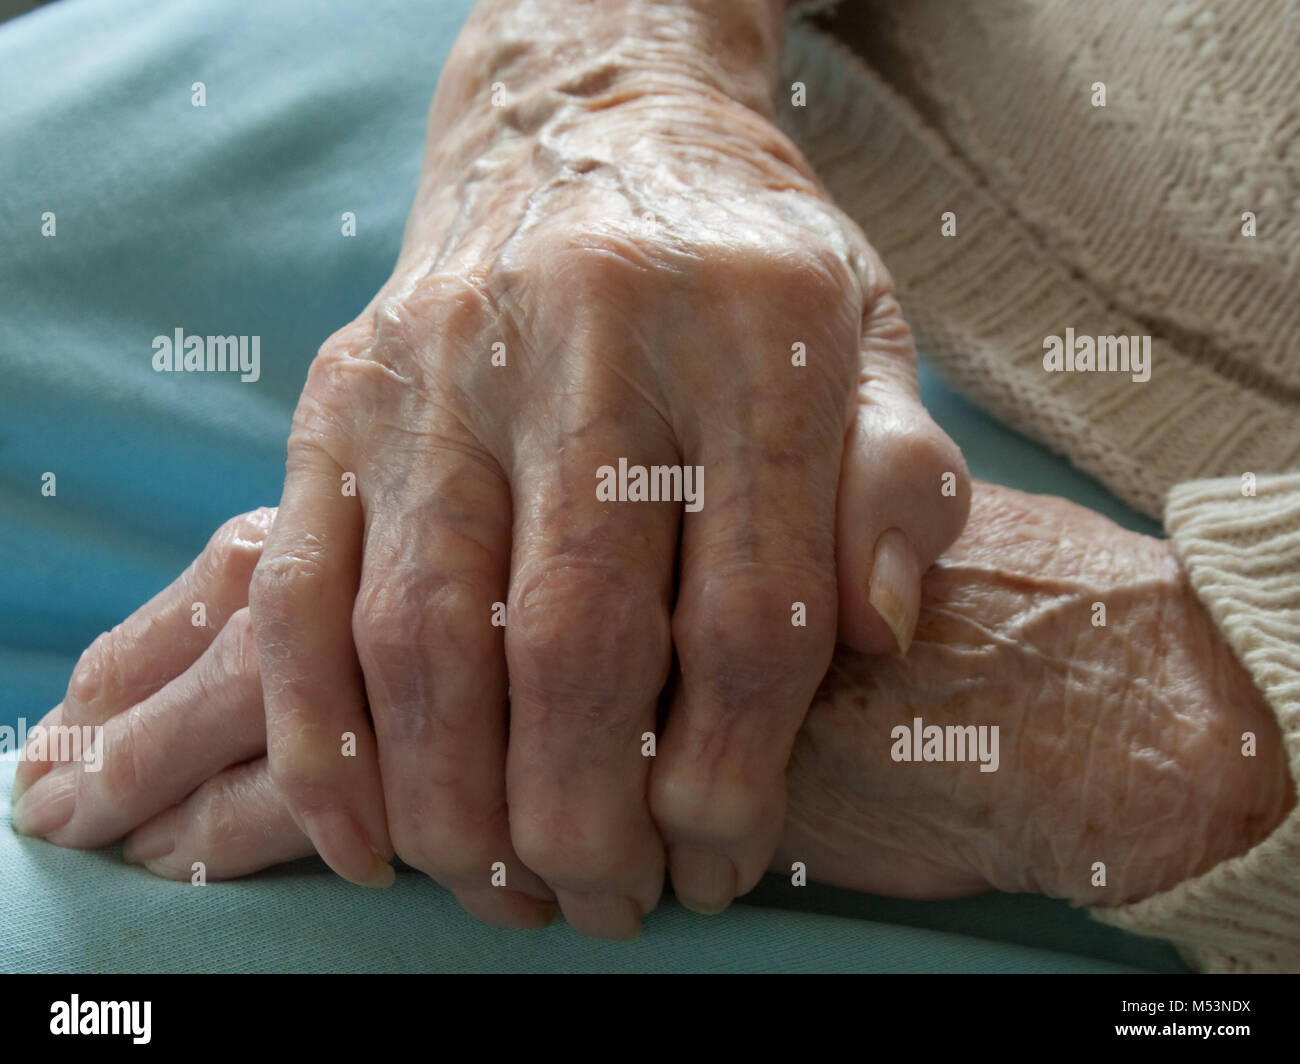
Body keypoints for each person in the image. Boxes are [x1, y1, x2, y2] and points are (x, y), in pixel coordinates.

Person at [11, 0, 1300, 971]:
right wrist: (599, 82)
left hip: (1159, 746)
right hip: (713, 107)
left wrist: (1140, 708)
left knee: (66, 915)